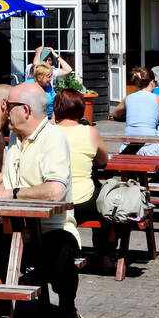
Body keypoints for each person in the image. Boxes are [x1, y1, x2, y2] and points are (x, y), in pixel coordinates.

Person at [0, 83, 89, 318]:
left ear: (25, 110)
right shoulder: (14, 137)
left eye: (8, 106)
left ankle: (68, 312)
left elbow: (56, 190)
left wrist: (12, 194)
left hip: (51, 227)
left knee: (62, 262)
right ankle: (0, 311)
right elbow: (8, 182)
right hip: (14, 227)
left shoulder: (53, 138)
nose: (4, 110)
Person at [54, 88, 107, 251]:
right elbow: (102, 160)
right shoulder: (90, 132)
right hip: (82, 201)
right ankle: (105, 254)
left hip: (53, 201)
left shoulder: (48, 133)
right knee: (105, 200)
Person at [111, 66, 159, 157]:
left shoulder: (128, 98)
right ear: (152, 82)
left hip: (127, 146)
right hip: (149, 147)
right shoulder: (157, 99)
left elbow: (116, 114)